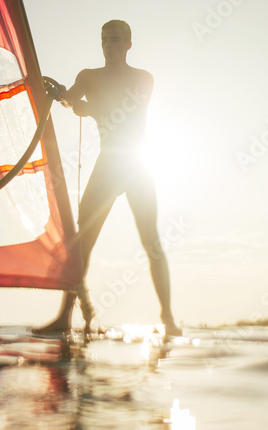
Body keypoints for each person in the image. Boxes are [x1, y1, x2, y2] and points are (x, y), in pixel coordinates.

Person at [37, 20, 180, 336]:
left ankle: (168, 320)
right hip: (108, 164)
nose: (109, 45)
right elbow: (71, 98)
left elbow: (121, 110)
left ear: (129, 44)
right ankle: (65, 318)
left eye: (115, 40)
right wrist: (60, 93)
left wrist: (84, 107)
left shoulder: (144, 79)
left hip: (137, 164)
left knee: (151, 241)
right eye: (104, 40)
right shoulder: (88, 77)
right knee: (81, 240)